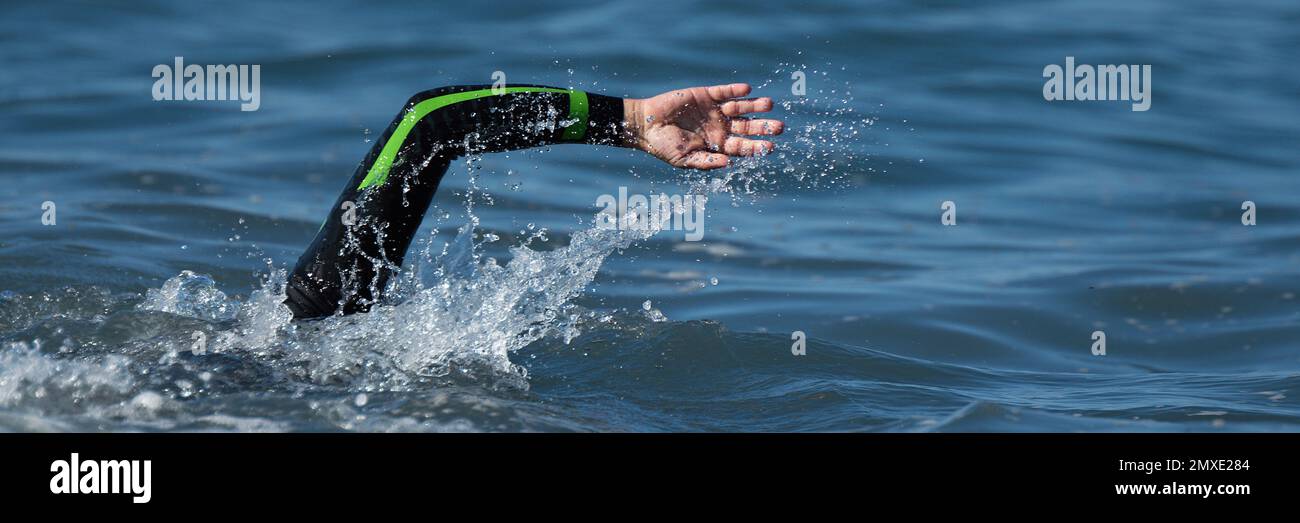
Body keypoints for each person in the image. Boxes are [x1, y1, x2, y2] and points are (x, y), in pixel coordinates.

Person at [284, 82, 785, 319]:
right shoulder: (310, 318)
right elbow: (430, 122)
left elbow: (429, 124)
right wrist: (628, 121)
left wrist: (631, 121)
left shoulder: (300, 331)